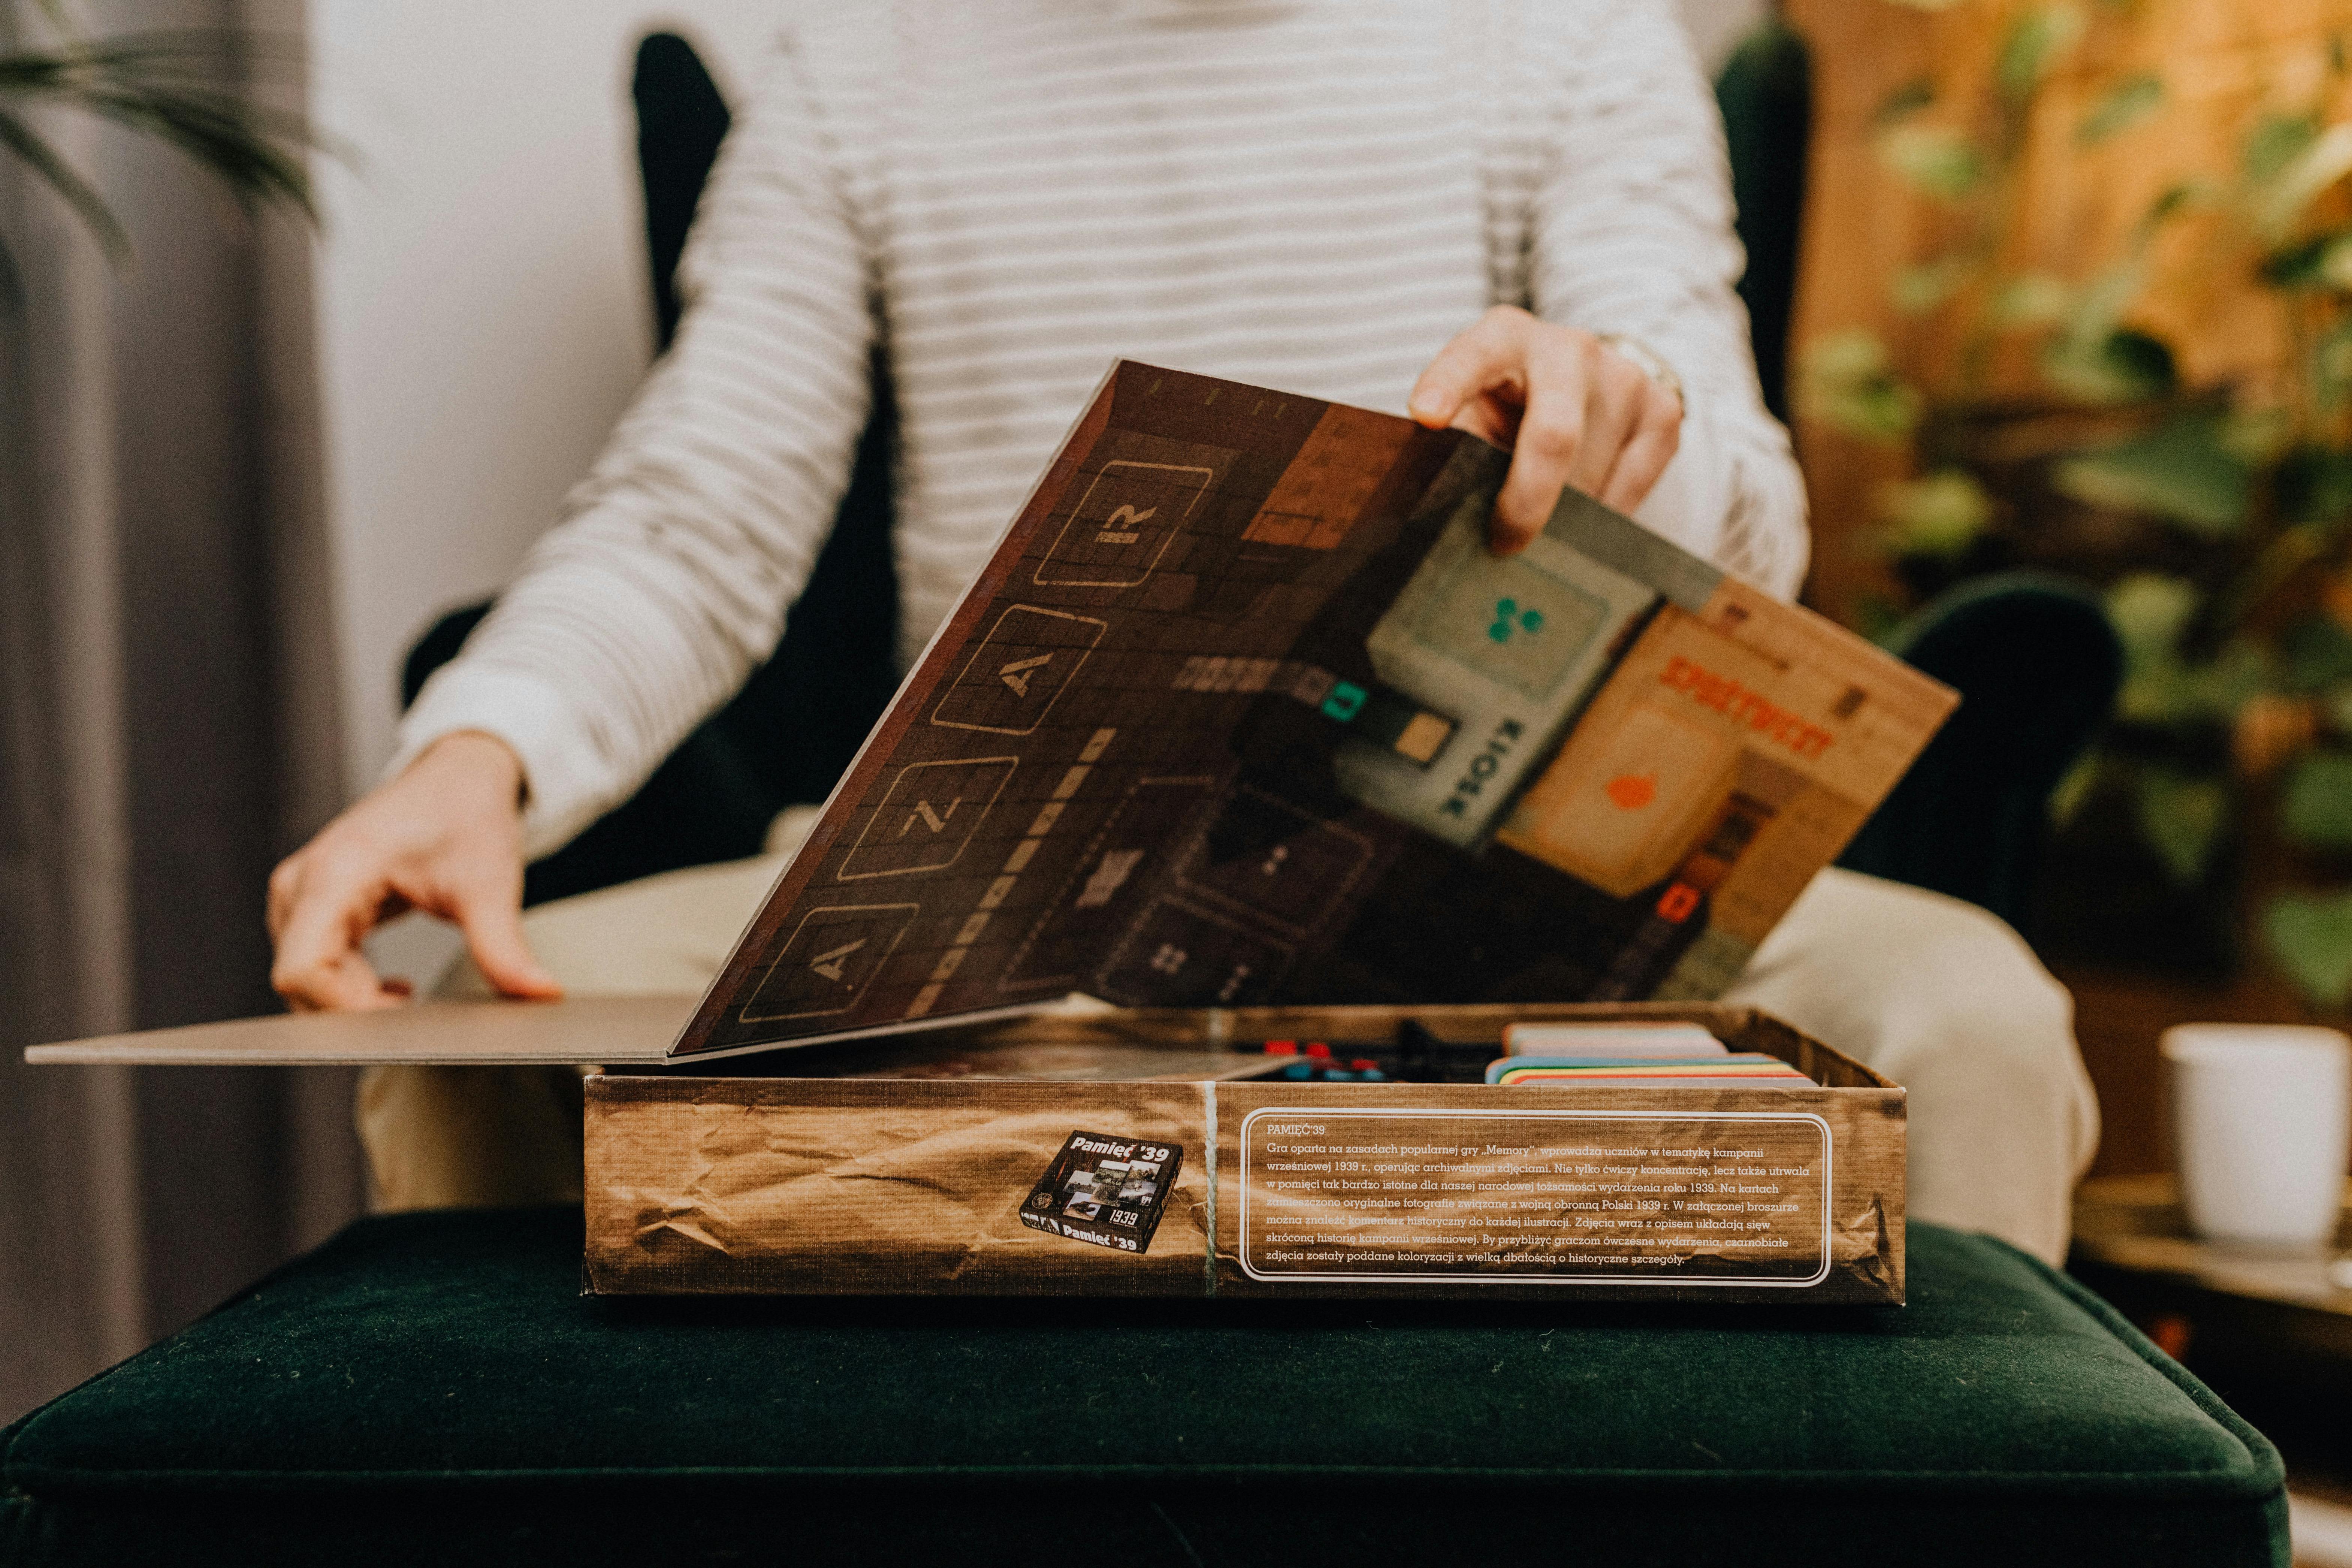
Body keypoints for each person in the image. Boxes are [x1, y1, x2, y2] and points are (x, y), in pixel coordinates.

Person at [266, 0, 2097, 1259]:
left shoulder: (1560, 35)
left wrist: (1626, 420)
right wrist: (476, 755)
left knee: (1964, 1018)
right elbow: (700, 505)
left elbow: (1742, 508)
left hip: (1479, 888)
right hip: (987, 904)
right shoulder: (867, 70)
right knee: (474, 1045)